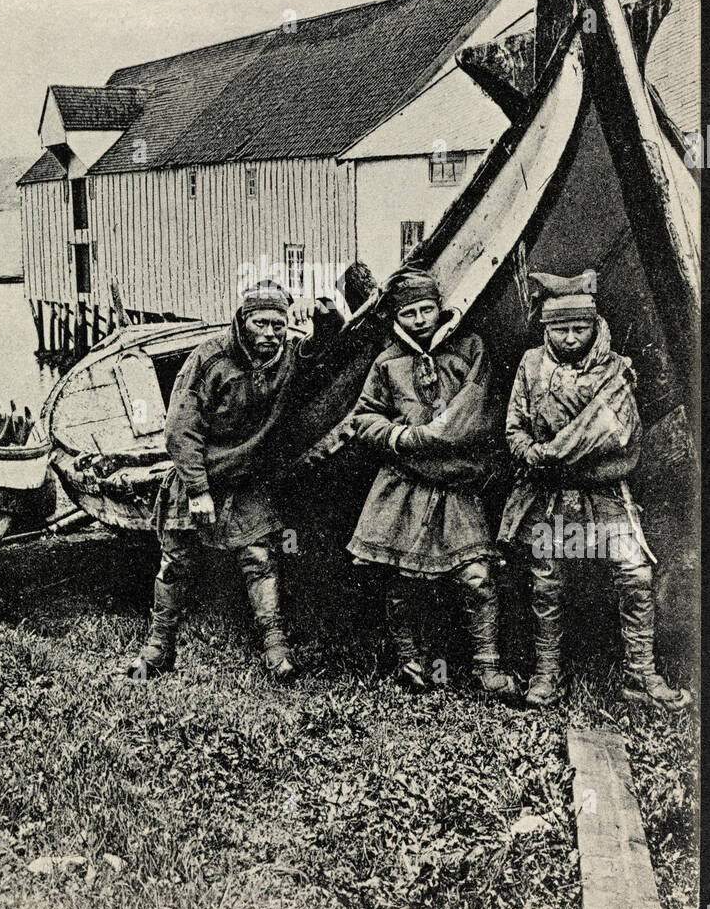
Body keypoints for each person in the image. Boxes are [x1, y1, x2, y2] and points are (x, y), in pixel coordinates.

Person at [130, 280, 343, 683]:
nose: (269, 334)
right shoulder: (208, 359)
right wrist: (197, 490)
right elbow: (180, 428)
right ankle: (158, 649)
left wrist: (328, 318)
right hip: (199, 477)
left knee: (260, 560)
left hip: (246, 482)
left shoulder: (288, 357)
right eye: (260, 323)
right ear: (242, 320)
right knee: (176, 564)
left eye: (278, 324)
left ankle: (276, 648)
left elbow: (323, 355)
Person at [498, 271, 691, 712]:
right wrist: (531, 453)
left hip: (605, 494)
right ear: (545, 328)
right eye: (559, 329)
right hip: (553, 495)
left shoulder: (615, 371)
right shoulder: (531, 367)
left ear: (593, 325)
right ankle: (547, 673)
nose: (569, 338)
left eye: (579, 328)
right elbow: (515, 428)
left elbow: (620, 436)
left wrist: (561, 451)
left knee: (636, 574)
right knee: (547, 581)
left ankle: (639, 675)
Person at [346, 269, 516, 697]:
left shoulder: (469, 349)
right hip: (404, 485)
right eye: (409, 313)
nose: (420, 319)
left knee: (476, 576)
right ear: (397, 318)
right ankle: (411, 662)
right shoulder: (386, 363)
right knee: (403, 580)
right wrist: (399, 436)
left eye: (426, 309)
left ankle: (488, 669)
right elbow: (363, 417)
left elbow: (476, 411)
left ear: (441, 308)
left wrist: (435, 436)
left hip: (458, 484)